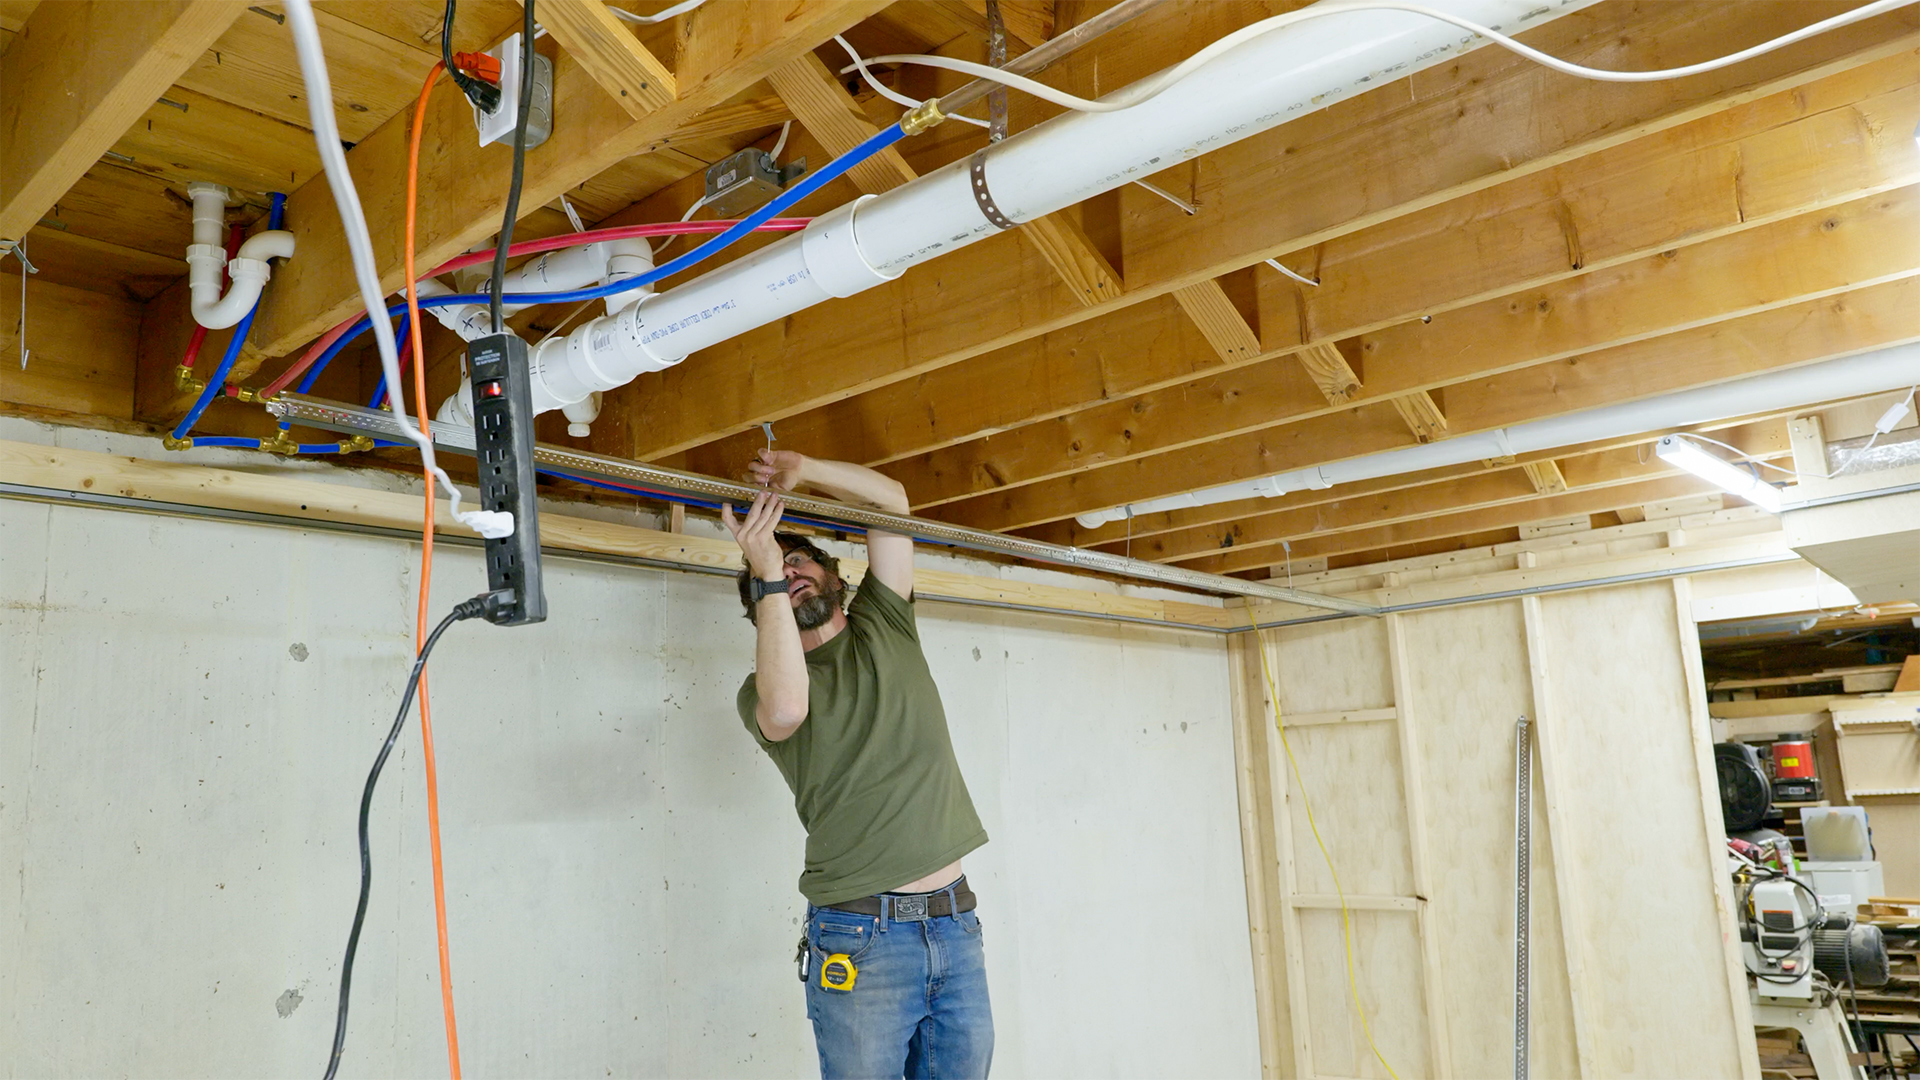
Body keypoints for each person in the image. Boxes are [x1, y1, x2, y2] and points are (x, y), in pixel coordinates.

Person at [724, 449, 992, 1079]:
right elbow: (788, 708)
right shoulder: (759, 691)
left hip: (955, 925)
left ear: (836, 576)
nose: (787, 572)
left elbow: (892, 503)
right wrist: (763, 571)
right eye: (771, 573)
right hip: (860, 936)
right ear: (759, 611)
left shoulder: (887, 623)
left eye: (798, 560)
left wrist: (807, 470)